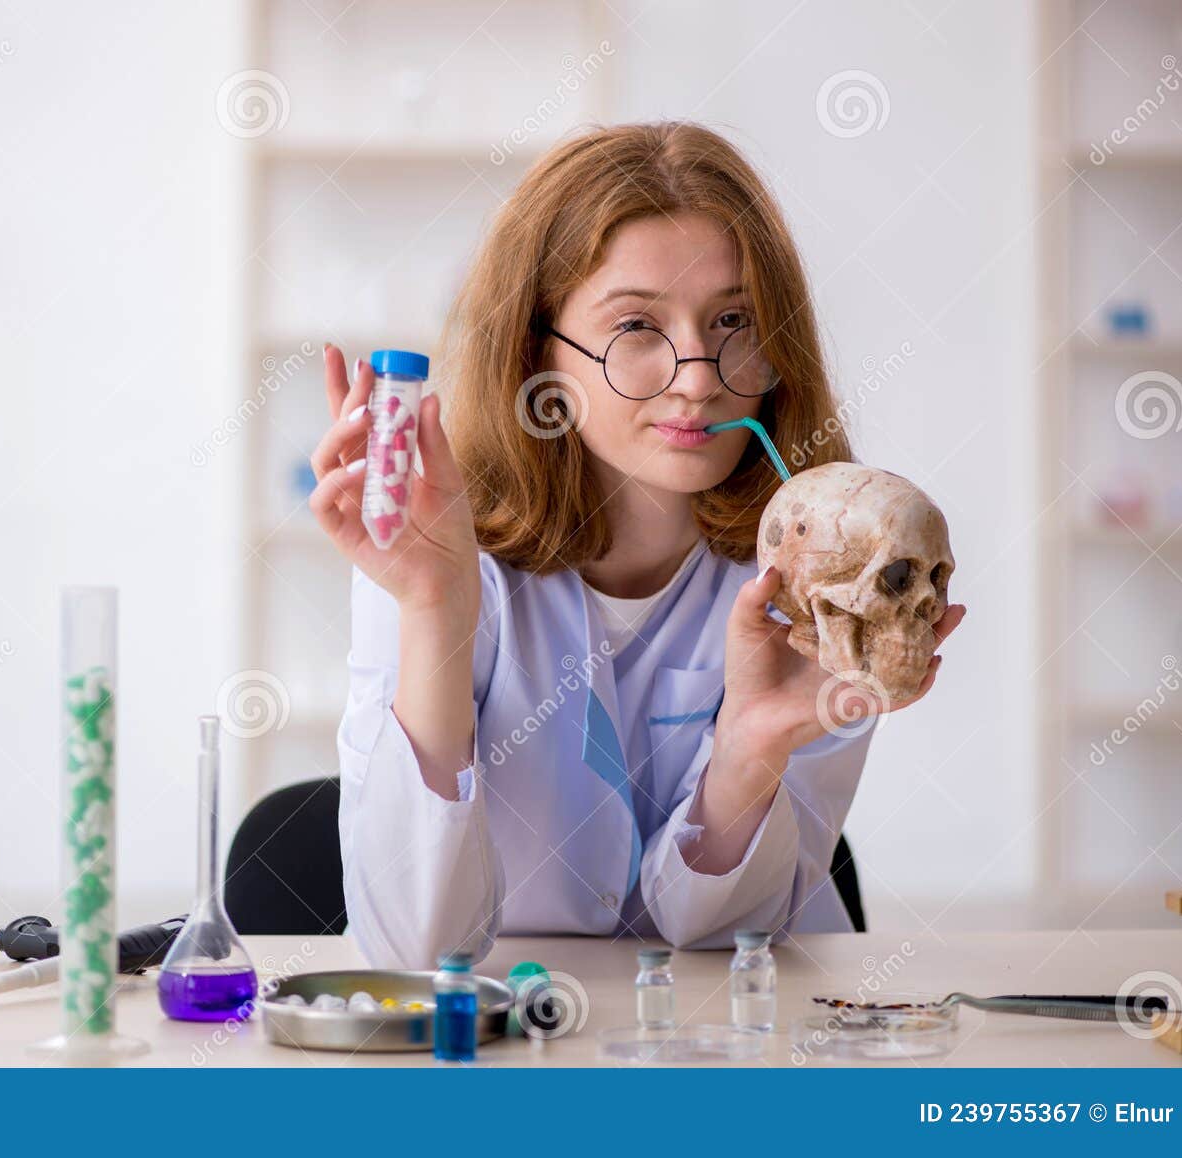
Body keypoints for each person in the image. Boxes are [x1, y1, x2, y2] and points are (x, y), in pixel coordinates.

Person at [307, 122, 965, 969]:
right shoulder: (430, 555)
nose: (696, 375)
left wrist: (748, 751)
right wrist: (436, 611)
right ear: (538, 348)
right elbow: (418, 948)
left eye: (734, 319)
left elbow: (732, 934)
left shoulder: (834, 575)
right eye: (636, 327)